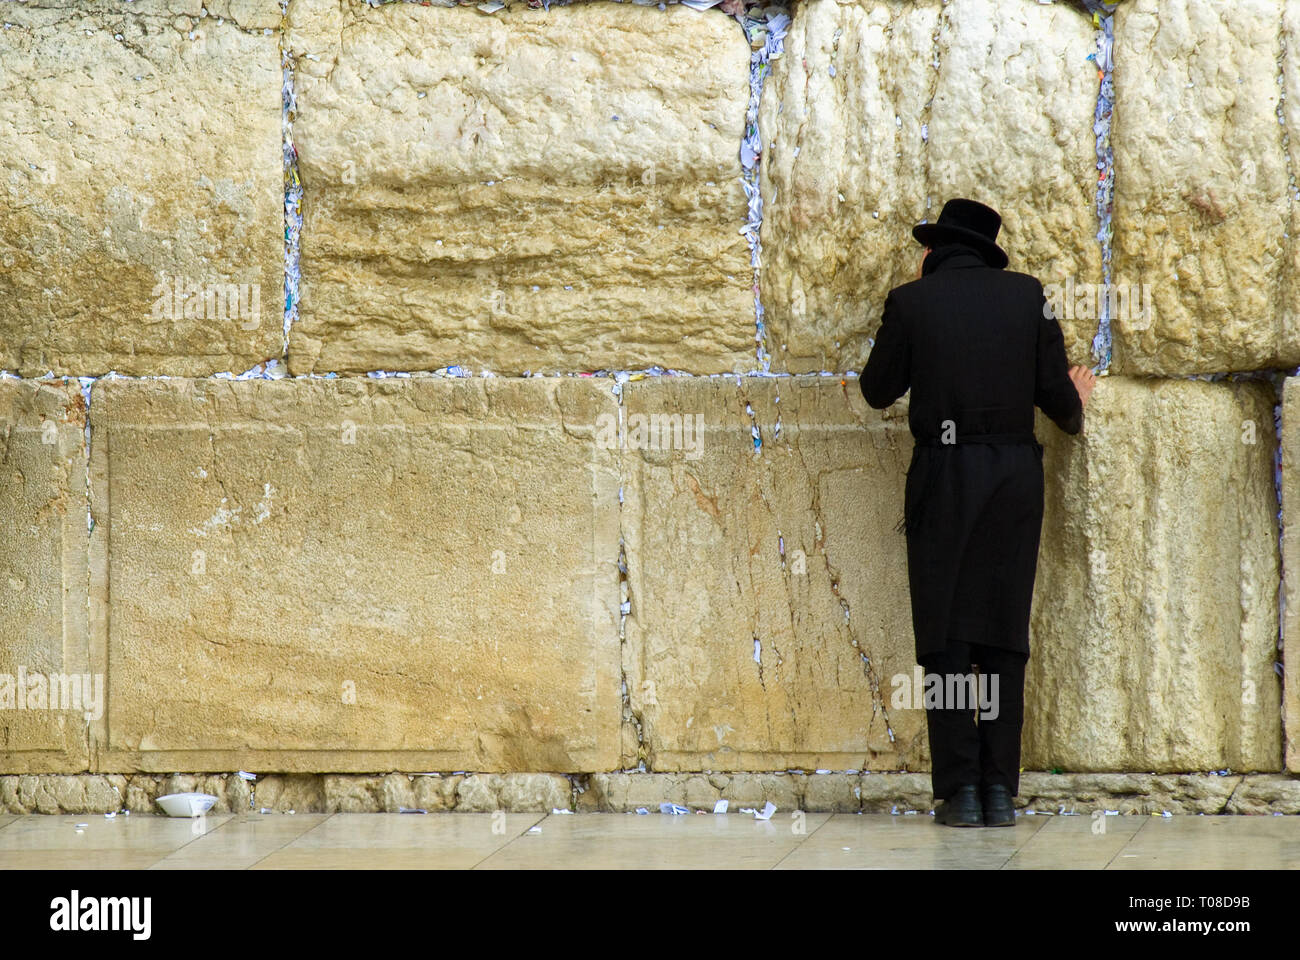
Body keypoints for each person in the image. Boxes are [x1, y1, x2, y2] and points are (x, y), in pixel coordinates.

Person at [859, 198, 1096, 827]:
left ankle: (959, 792)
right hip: (1014, 479)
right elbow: (1060, 407)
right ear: (986, 250)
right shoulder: (1027, 298)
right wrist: (1076, 400)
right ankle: (999, 791)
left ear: (935, 251)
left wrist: (911, 307)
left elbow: (876, 388)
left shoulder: (911, 304)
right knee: (1001, 634)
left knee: (947, 636)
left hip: (943, 475)